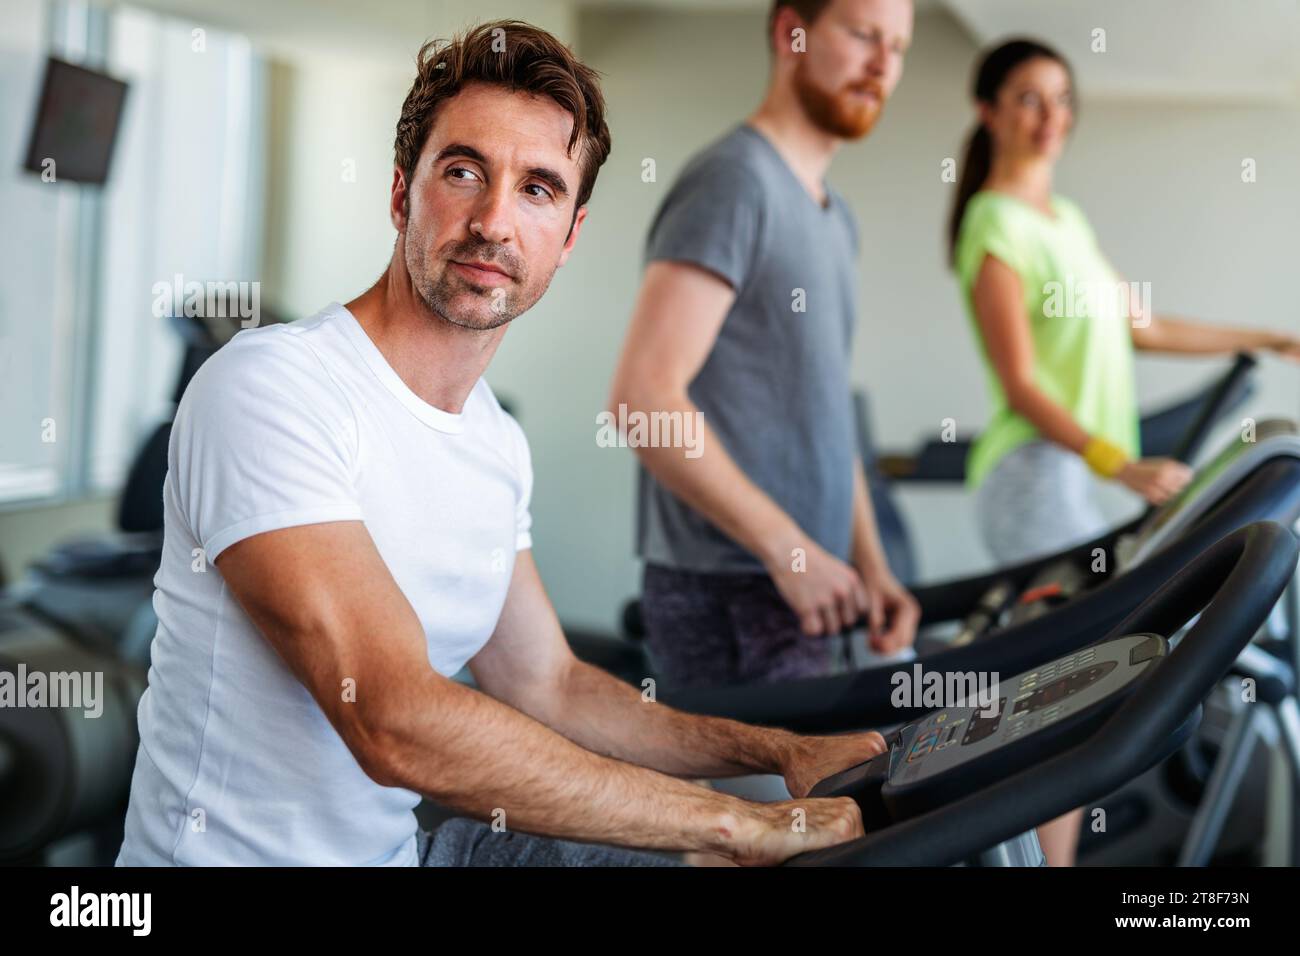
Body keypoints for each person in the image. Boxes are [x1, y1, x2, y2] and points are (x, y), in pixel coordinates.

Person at [115, 20, 883, 868]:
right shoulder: (270, 388)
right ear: (402, 193)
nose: (493, 221)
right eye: (464, 171)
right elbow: (391, 717)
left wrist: (777, 754)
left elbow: (547, 684)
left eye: (538, 190)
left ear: (570, 237)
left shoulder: (495, 442)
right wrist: (735, 824)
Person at [948, 37, 1300, 866]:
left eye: (1063, 99)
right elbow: (1023, 384)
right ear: (989, 112)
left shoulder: (1062, 222)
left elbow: (1141, 325)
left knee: (1077, 698)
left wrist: (1267, 335)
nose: (1051, 117)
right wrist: (1119, 460)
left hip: (1078, 480)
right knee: (1064, 701)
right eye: (1029, 98)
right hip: (1035, 475)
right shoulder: (992, 223)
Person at [609, 0, 921, 692]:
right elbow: (642, 400)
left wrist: (871, 564)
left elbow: (828, 414)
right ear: (792, 32)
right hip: (731, 588)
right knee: (775, 806)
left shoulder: (837, 217)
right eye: (865, 35)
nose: (882, 65)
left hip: (810, 586)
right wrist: (792, 552)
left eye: (897, 47)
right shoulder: (734, 183)